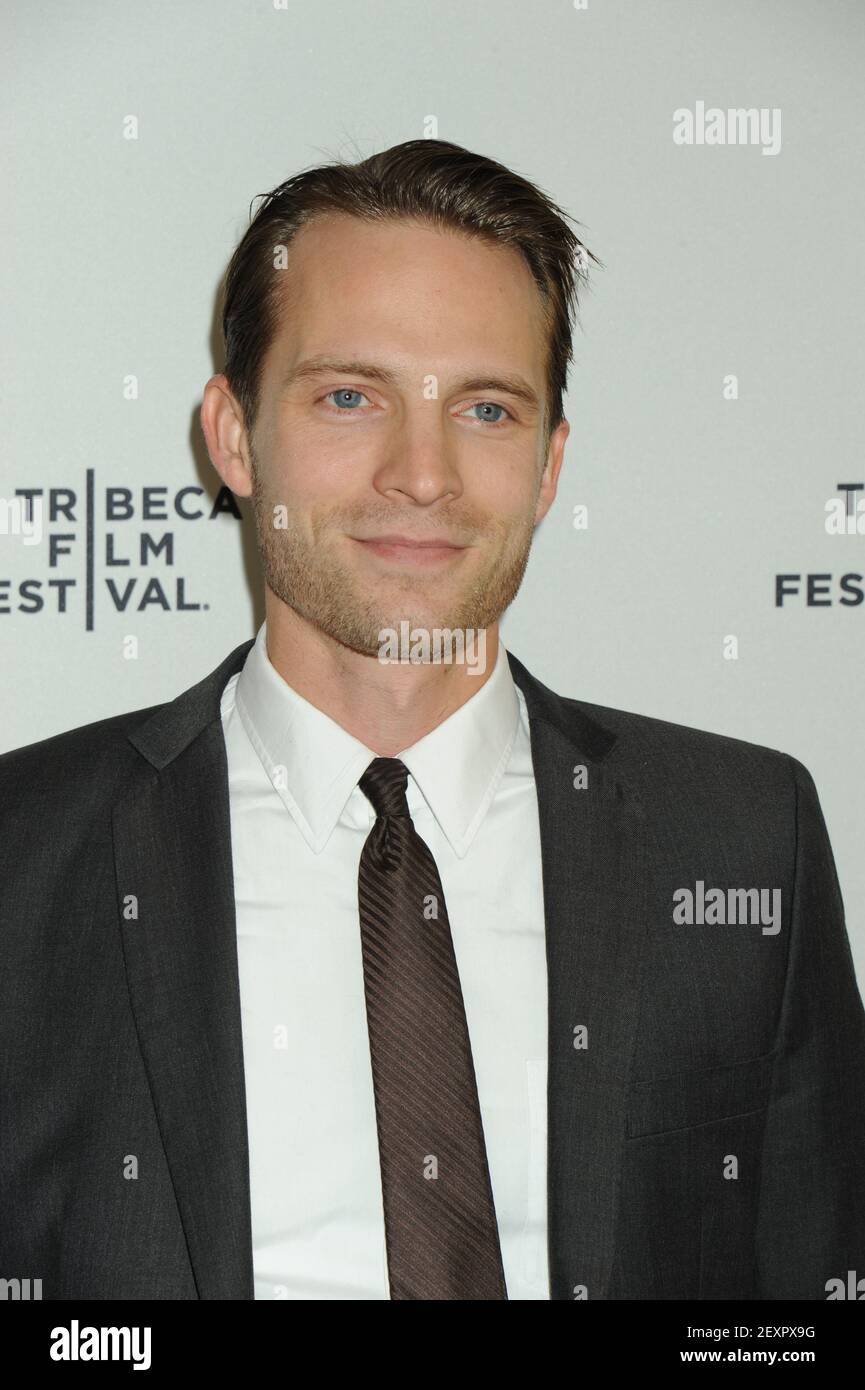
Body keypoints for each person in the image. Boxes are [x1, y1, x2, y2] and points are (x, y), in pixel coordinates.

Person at [1, 139, 863, 1301]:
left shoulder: (739, 837)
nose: (422, 472)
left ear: (551, 464)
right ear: (235, 436)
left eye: (487, 408)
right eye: (350, 396)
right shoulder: (26, 855)